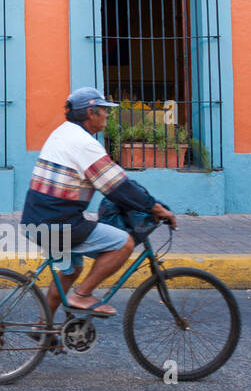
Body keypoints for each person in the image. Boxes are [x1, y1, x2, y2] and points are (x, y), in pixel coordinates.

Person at [23, 87, 178, 317]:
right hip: (60, 224)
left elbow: (113, 182)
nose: (107, 115)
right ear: (90, 113)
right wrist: (156, 208)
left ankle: (42, 326)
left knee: (70, 271)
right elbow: (117, 186)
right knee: (124, 243)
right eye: (104, 110)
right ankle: (82, 295)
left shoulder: (63, 133)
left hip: (38, 219)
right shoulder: (83, 143)